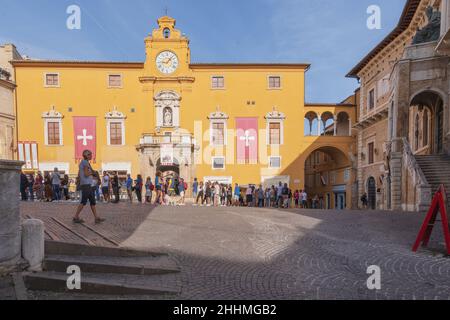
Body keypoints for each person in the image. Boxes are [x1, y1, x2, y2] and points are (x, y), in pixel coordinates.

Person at [73, 150, 105, 224]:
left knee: (92, 202)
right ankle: (75, 217)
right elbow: (86, 174)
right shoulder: (85, 162)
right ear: (86, 155)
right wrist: (93, 173)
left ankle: (96, 217)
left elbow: (81, 173)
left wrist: (93, 172)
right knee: (83, 202)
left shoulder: (85, 162)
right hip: (86, 185)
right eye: (90, 154)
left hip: (88, 185)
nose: (91, 156)